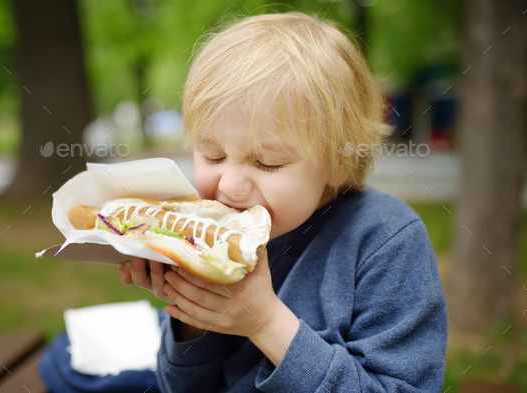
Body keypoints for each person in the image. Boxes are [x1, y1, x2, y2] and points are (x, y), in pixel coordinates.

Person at [119, 11, 447, 393]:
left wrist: (264, 323)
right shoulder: (208, 236)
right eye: (212, 155)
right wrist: (194, 314)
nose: (232, 184)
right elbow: (180, 387)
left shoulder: (387, 240)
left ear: (338, 162)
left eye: (267, 162)